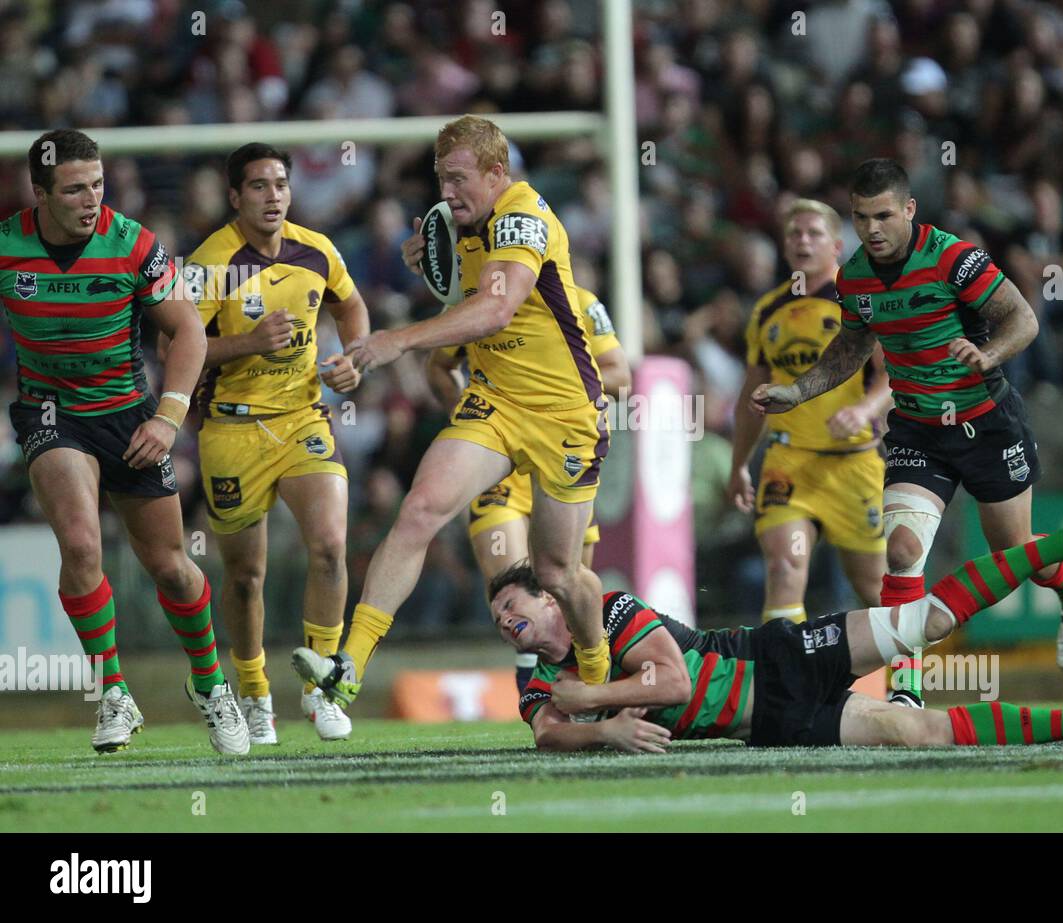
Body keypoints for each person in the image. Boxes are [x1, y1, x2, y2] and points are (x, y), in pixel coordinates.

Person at [751, 159, 1063, 711]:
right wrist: (798, 391)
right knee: (904, 550)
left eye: (883, 215)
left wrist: (986, 355)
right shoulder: (856, 278)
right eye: (861, 218)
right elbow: (851, 348)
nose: (872, 229)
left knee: (1013, 550)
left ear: (909, 209)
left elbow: (1023, 319)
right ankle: (906, 690)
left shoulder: (955, 259)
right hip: (917, 430)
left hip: (986, 422)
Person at [290, 115, 612, 706]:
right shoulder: (461, 220)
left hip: (564, 412)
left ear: (497, 172)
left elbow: (493, 311)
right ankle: (348, 666)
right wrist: (429, 257)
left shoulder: (522, 216)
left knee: (559, 575)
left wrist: (397, 340)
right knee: (419, 510)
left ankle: (596, 672)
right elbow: (460, 285)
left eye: (458, 179)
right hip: (494, 401)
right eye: (440, 179)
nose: (445, 193)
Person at [494, 514, 1063, 751]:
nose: (503, 619)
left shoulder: (609, 608)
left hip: (778, 656)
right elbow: (547, 733)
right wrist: (604, 728)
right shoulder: (539, 679)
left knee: (934, 621)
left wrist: (591, 701)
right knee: (919, 732)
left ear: (552, 597)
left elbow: (674, 678)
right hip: (777, 723)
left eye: (511, 601)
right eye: (496, 616)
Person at [1, 129, 248, 754]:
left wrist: (167, 418)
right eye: (75, 189)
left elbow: (188, 332)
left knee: (171, 567)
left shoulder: (134, 244)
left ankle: (210, 685)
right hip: (52, 414)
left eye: (98, 185)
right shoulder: (7, 247)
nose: (91, 199)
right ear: (39, 193)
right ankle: (113, 691)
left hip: (130, 418)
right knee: (82, 544)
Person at [176, 143, 370, 744]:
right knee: (245, 578)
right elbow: (173, 351)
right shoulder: (209, 264)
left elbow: (352, 306)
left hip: (302, 420)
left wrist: (353, 358)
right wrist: (248, 343)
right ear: (235, 197)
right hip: (231, 428)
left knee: (332, 547)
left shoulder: (318, 249)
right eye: (258, 186)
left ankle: (319, 687)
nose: (273, 196)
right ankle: (255, 694)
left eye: (280, 184)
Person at [425, 285, 630, 692]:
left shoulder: (583, 302)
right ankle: (533, 703)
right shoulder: (476, 298)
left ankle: (588, 690)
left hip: (562, 464)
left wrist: (556, 383)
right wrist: (468, 421)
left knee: (566, 592)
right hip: (500, 471)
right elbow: (438, 365)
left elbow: (621, 377)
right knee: (511, 591)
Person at [728, 199, 891, 628]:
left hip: (853, 462)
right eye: (794, 234)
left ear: (837, 245)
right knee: (783, 568)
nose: (803, 241)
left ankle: (905, 687)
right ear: (784, 246)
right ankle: (789, 689)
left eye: (813, 233)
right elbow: (752, 395)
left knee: (875, 588)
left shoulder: (862, 300)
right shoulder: (767, 311)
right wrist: (739, 464)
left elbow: (892, 375)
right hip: (789, 462)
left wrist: (864, 409)